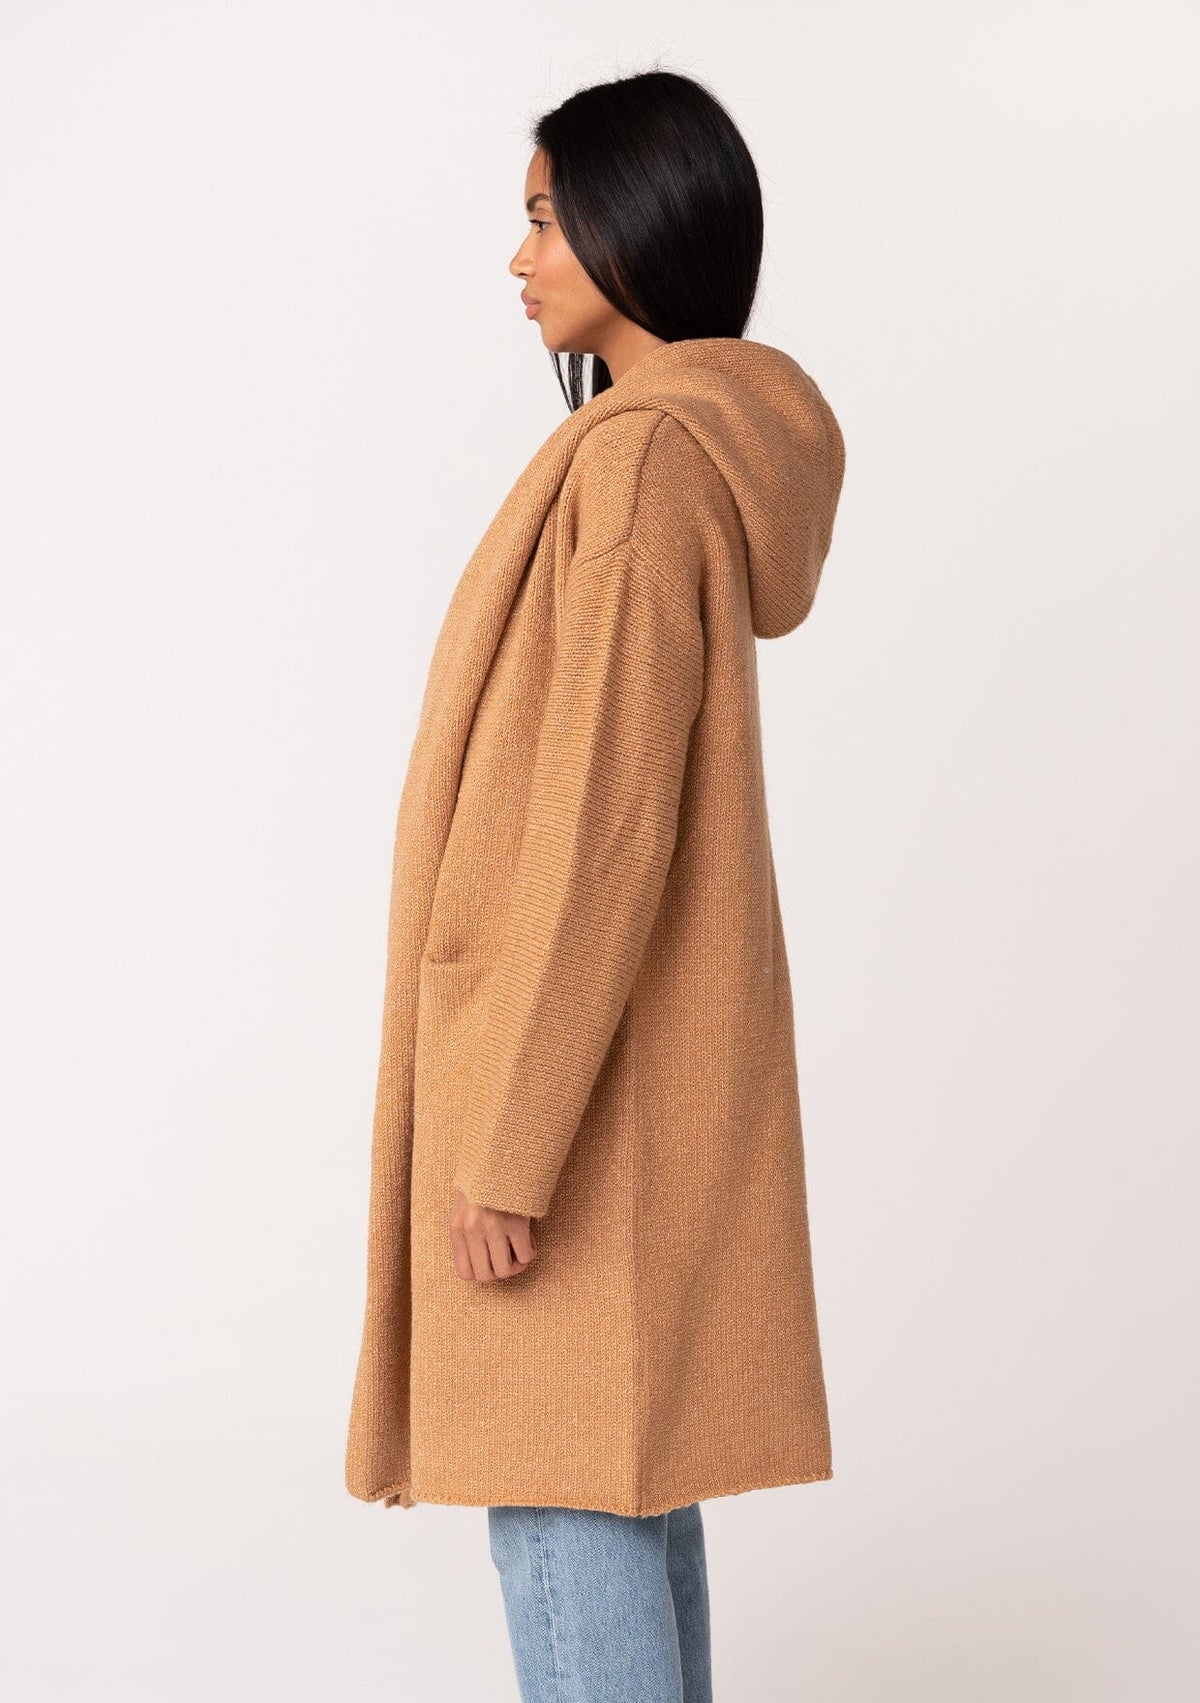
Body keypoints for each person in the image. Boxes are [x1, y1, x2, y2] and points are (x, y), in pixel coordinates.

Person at [345, 67, 846, 1703]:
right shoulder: (689, 456)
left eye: (549, 218)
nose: (520, 257)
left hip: (569, 1109)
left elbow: (603, 829)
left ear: (642, 224)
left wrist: (510, 1146)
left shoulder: (636, 468)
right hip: (632, 1100)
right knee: (623, 1480)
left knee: (564, 1493)